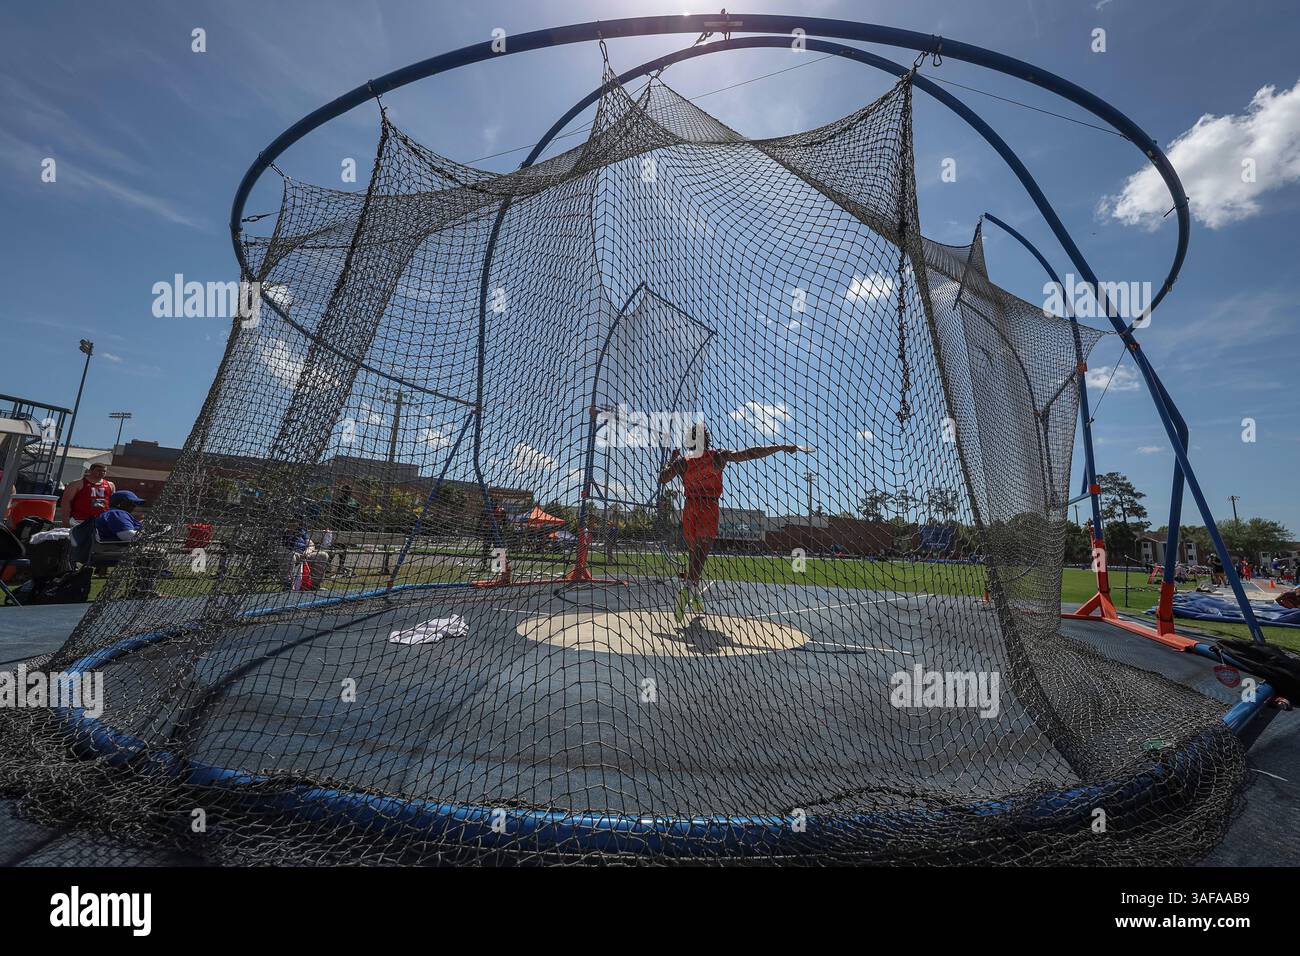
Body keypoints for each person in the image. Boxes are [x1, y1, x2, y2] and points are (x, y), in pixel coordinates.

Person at [657, 423, 802, 622]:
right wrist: (781, 447)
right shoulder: (718, 456)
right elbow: (750, 453)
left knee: (694, 554)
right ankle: (688, 589)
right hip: (709, 506)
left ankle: (694, 592)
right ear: (707, 439)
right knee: (701, 553)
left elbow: (663, 478)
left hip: (689, 507)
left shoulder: (683, 462)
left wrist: (671, 462)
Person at [60, 462, 115, 564]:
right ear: (90, 471)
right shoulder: (77, 484)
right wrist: (65, 520)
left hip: (101, 522)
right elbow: (66, 502)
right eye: (99, 470)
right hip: (80, 521)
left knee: (102, 546)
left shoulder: (110, 485)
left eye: (104, 471)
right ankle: (72, 563)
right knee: (78, 546)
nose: (102, 473)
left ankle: (100, 567)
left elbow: (111, 503)